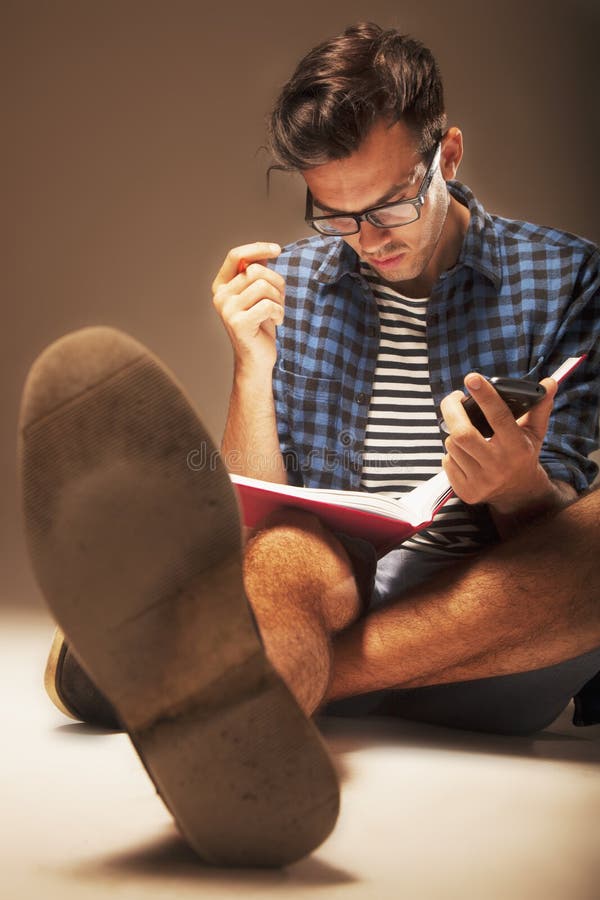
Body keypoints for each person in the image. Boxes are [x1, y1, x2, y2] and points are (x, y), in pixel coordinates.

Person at [26, 22, 599, 868]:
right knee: (289, 550)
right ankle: (246, 732)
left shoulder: (567, 278)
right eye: (336, 217)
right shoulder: (297, 285)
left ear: (449, 156)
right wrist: (251, 369)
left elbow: (555, 538)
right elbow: (257, 513)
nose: (369, 241)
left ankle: (215, 678)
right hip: (324, 591)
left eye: (390, 207)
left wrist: (514, 484)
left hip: (490, 628)